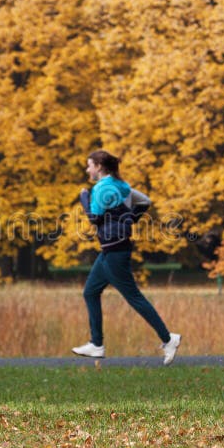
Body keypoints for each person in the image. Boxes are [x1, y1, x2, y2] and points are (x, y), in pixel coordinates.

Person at [71, 150, 182, 365]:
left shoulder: (101, 188)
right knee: (90, 292)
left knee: (134, 297)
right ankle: (96, 344)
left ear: (99, 167)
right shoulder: (121, 185)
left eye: (89, 165)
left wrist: (84, 198)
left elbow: (94, 218)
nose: (88, 170)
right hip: (112, 249)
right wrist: (130, 218)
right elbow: (145, 201)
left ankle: (169, 339)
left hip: (115, 251)